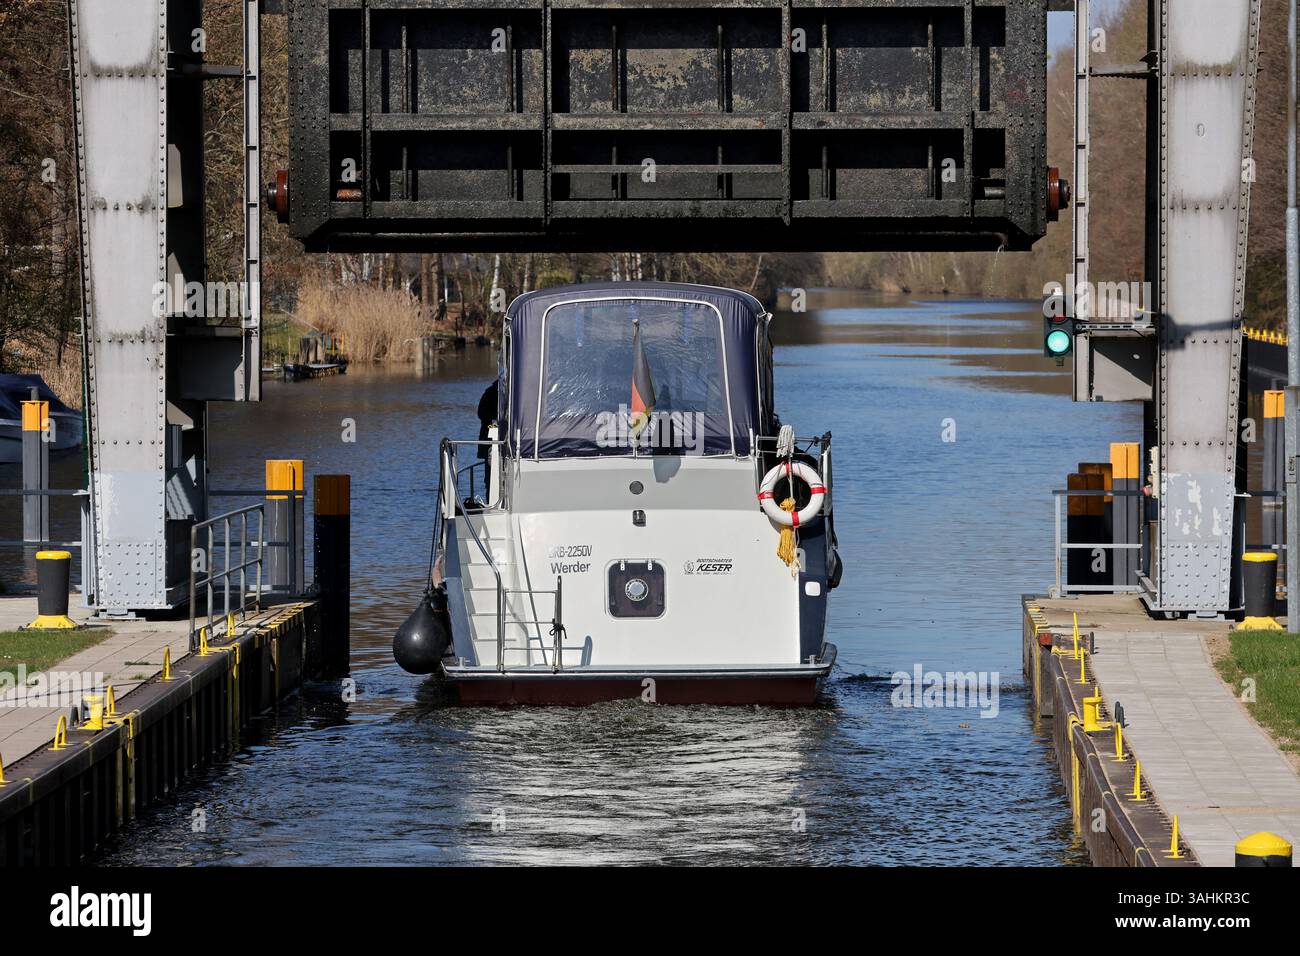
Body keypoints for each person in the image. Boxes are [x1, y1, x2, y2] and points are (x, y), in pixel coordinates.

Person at [476, 380, 499, 498]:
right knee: (490, 475)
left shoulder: (493, 391)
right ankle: (491, 498)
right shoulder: (491, 392)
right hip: (490, 440)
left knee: (491, 475)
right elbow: (481, 413)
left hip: (496, 440)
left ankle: (492, 497)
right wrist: (495, 420)